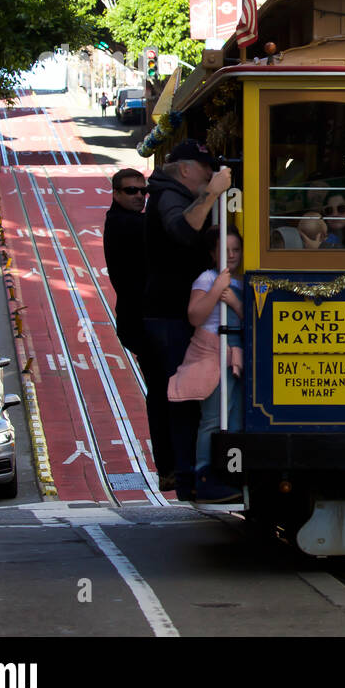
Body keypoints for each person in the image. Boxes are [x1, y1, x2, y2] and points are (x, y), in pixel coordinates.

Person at [143, 139, 232, 501]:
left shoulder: (167, 190)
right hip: (169, 317)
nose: (210, 172)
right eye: (204, 166)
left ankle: (188, 475)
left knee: (186, 396)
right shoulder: (168, 195)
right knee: (185, 396)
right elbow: (182, 230)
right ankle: (188, 478)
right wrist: (212, 195)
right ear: (185, 169)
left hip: (171, 315)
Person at [103, 167, 174, 487]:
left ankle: (170, 466)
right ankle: (169, 467)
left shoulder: (131, 222)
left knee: (163, 391)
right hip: (143, 323)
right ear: (116, 193)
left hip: (141, 321)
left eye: (143, 192)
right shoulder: (124, 224)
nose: (139, 197)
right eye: (131, 191)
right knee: (162, 393)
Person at [168, 226, 244, 503]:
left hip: (236, 355)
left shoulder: (243, 282)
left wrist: (235, 301)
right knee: (213, 418)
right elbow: (195, 315)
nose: (232, 256)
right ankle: (204, 476)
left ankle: (228, 473)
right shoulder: (207, 278)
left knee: (234, 417)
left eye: (236, 250)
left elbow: (253, 321)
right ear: (213, 254)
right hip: (213, 353)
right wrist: (217, 290)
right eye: (226, 251)